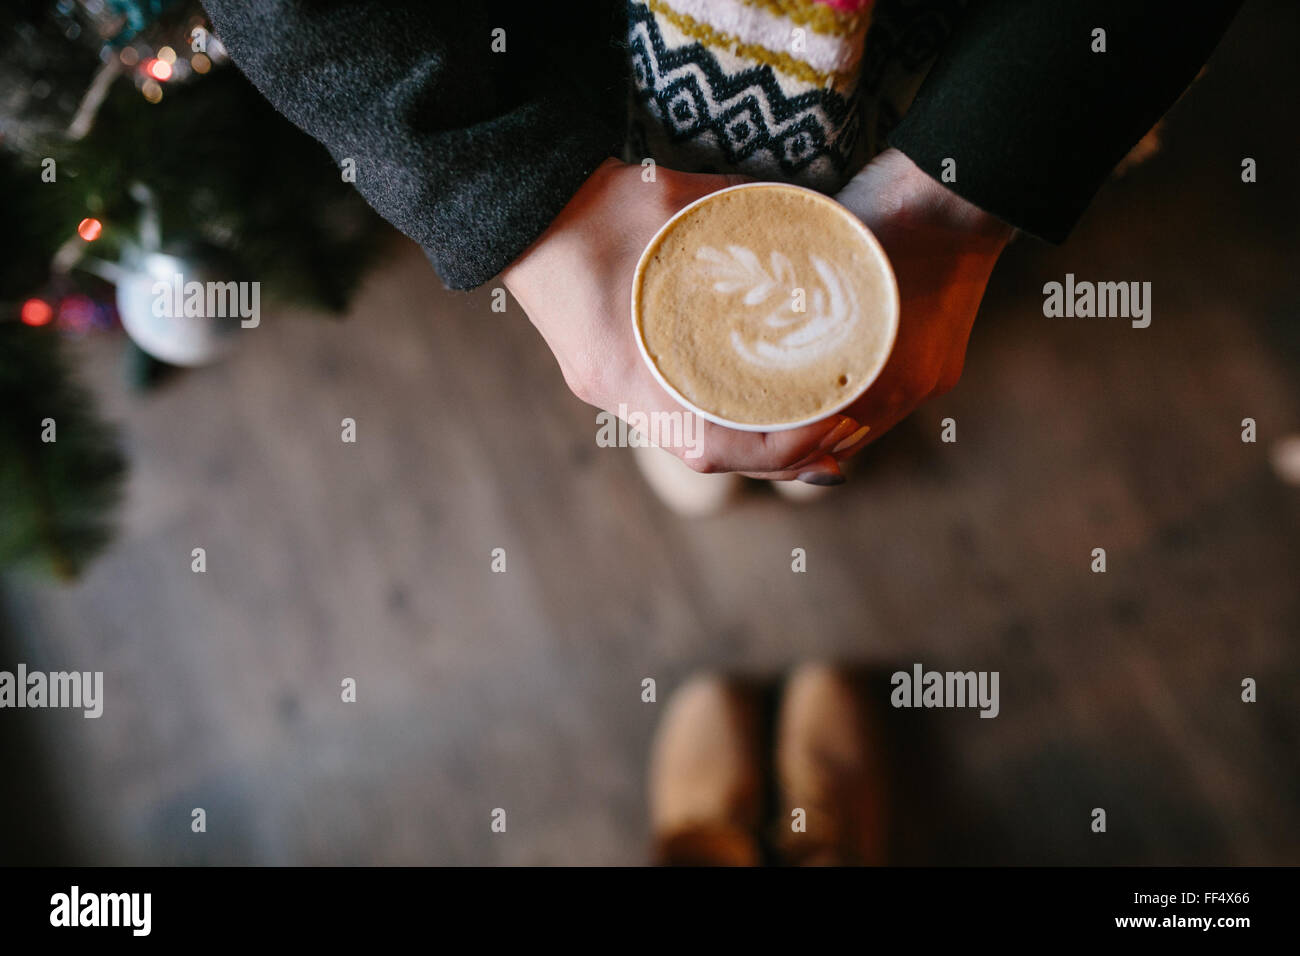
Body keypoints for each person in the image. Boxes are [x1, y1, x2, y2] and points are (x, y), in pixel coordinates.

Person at [202, 0, 1242, 495]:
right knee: (711, 330)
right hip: (587, 71)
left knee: (872, 314)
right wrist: (533, 208)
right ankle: (725, 395)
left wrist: (963, 193)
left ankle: (793, 397)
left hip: (973, 49)